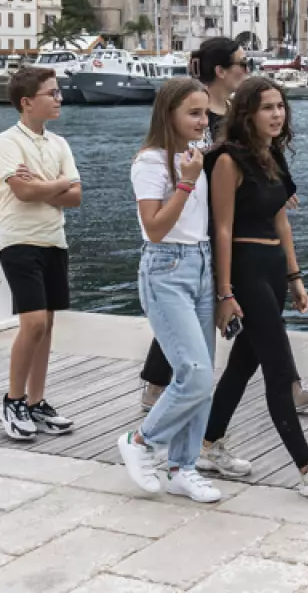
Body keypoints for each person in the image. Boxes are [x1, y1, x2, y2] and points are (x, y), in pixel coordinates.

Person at [138, 39, 308, 412]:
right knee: (190, 315)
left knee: (245, 317)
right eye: (243, 64)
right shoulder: (203, 118)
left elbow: (252, 158)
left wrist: (268, 186)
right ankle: (157, 383)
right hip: (206, 224)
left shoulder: (232, 111)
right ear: (221, 70)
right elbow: (197, 164)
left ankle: (285, 383)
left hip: (228, 221)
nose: (248, 69)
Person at [196, 78, 308, 498]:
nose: (277, 114)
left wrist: (294, 275)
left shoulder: (273, 156)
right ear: (246, 113)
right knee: (280, 369)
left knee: (244, 364)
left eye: (281, 106)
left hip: (271, 268)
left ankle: (208, 446)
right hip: (245, 268)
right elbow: (222, 227)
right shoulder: (229, 160)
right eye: (267, 107)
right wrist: (224, 292)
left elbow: (281, 219)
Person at [116, 78, 223, 503]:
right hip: (167, 268)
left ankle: (183, 467)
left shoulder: (192, 156)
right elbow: (156, 229)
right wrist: (186, 182)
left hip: (201, 265)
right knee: (194, 374)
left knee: (199, 376)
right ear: (169, 115)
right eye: (193, 113)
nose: (202, 121)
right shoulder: (151, 162)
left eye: (204, 113)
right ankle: (141, 442)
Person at [0, 66, 82, 441]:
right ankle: (12, 401)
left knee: (46, 327)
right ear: (28, 102)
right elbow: (22, 192)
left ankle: (36, 401)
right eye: (52, 93)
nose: (58, 98)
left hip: (53, 240)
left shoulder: (59, 144)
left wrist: (49, 184)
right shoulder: (8, 141)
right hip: (19, 241)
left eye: (58, 92)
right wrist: (59, 185)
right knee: (32, 324)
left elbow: (76, 196)